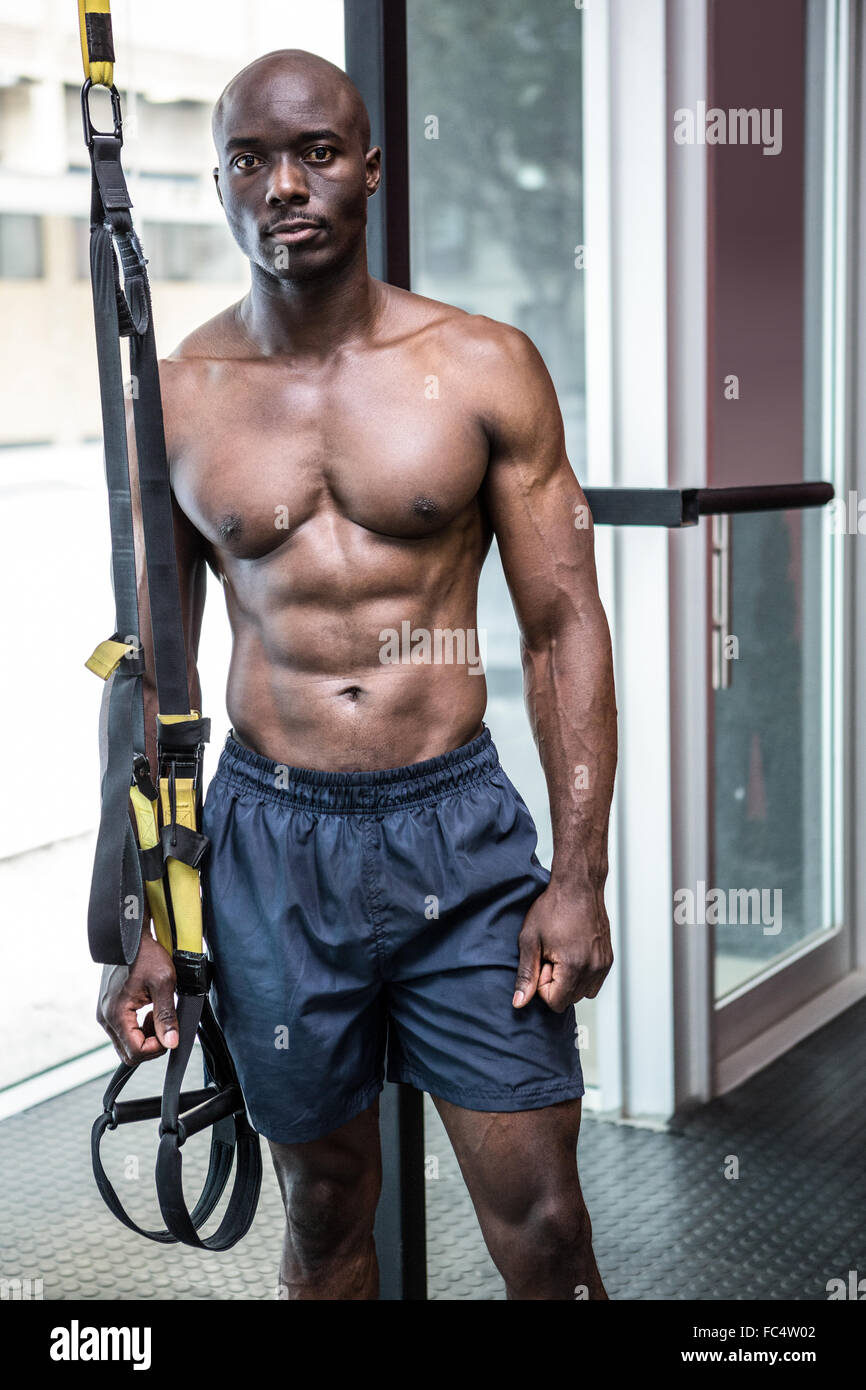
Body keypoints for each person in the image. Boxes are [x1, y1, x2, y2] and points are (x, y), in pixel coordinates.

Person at [97, 48, 617, 1301]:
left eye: (315, 153)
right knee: (326, 1213)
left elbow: (562, 626)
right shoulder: (169, 399)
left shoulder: (485, 364)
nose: (282, 185)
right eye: (248, 160)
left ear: (371, 168)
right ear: (221, 183)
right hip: (269, 841)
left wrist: (577, 872)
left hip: (458, 835)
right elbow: (150, 672)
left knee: (544, 1224)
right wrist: (140, 916)